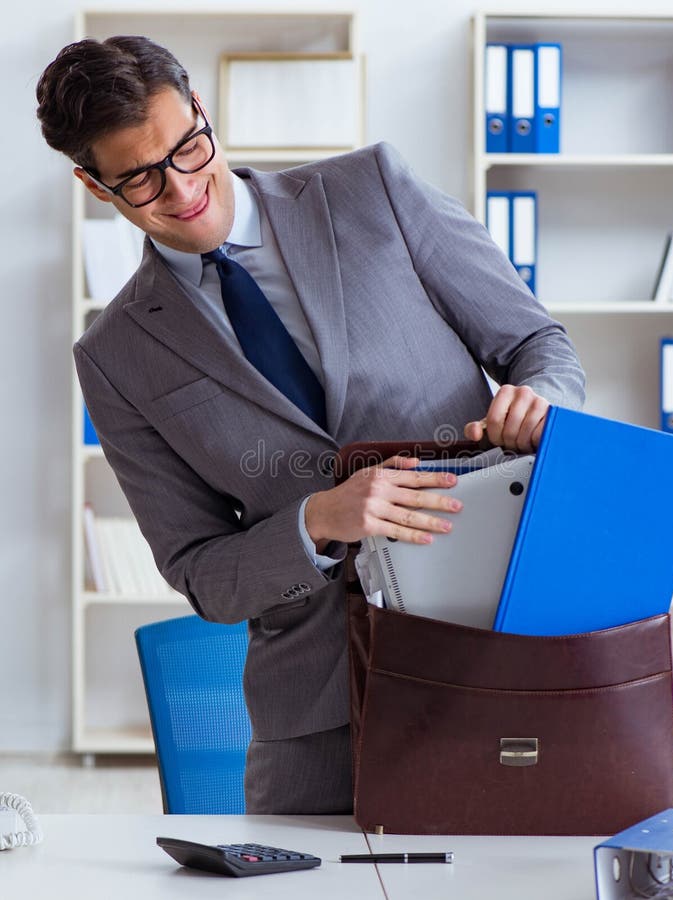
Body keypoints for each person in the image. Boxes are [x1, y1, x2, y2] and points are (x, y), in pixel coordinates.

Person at [36, 35, 585, 814]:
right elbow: (199, 571)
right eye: (140, 179)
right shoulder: (116, 356)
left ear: (201, 112)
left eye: (188, 148)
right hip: (317, 711)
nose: (182, 188)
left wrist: (545, 399)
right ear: (95, 186)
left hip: (496, 638)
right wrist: (316, 521)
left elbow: (539, 347)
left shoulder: (373, 191)